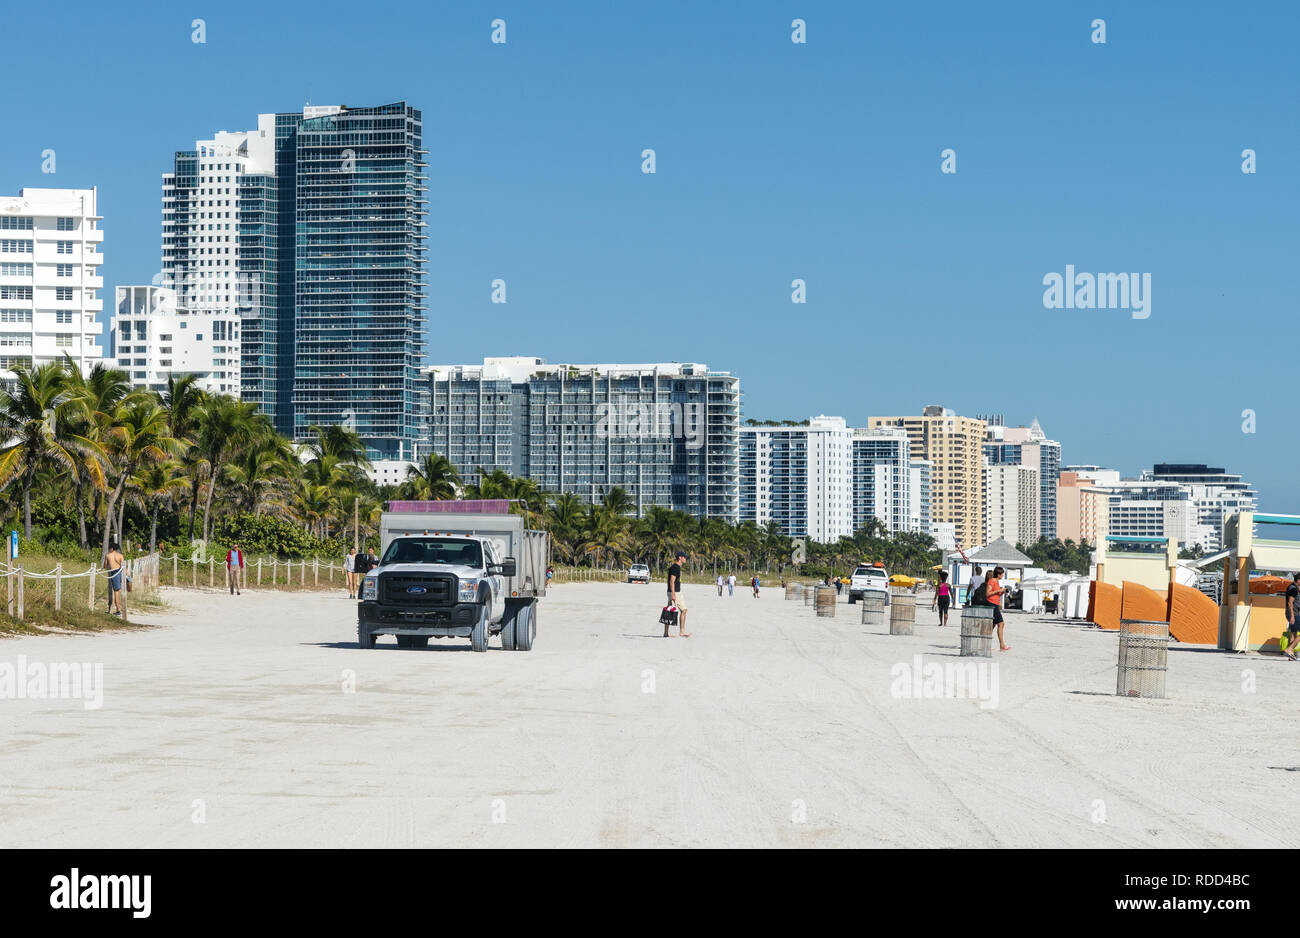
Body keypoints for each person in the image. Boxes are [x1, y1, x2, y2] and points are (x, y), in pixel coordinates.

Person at [665, 550, 690, 638]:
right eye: (684, 557)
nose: (685, 559)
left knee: (684, 610)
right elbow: (672, 581)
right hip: (674, 592)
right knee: (669, 612)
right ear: (680, 558)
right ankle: (666, 633)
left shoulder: (678, 567)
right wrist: (673, 594)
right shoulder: (675, 567)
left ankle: (682, 631)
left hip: (678, 592)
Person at [985, 565, 1009, 651]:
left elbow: (995, 594)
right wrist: (998, 590)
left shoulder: (996, 581)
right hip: (991, 604)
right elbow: (987, 593)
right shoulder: (992, 581)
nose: (1003, 575)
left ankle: (986, 644)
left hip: (994, 603)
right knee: (1001, 624)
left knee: (993, 625)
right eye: (1002, 574)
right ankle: (1002, 645)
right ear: (998, 574)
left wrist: (1002, 592)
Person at [104, 542, 124, 616]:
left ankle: (118, 609)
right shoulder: (120, 556)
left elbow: (105, 566)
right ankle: (117, 609)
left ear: (112, 548)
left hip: (113, 572)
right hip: (119, 572)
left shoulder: (108, 555)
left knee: (116, 591)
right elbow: (123, 565)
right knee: (117, 590)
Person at [1284, 573, 1300, 661]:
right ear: (1298, 580)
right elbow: (1290, 603)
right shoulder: (1293, 589)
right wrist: (1292, 616)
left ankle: (1291, 655)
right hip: (1293, 614)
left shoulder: (1292, 587)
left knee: (1293, 633)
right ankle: (1289, 649)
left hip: (1292, 614)